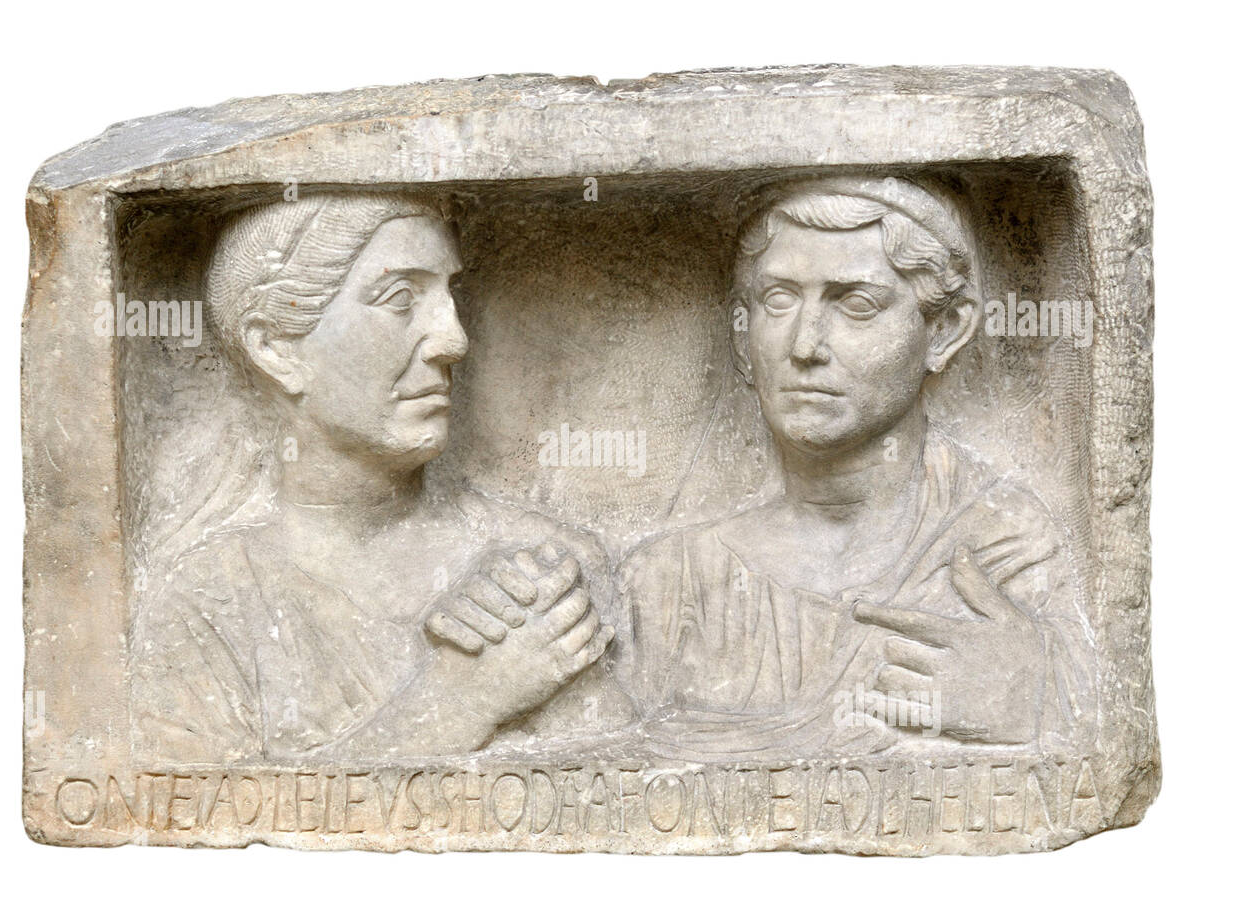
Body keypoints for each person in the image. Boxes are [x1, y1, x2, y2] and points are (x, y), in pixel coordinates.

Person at [616, 176, 1094, 760]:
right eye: (779, 301)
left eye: (856, 304)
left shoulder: (1007, 550)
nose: (806, 346)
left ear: (944, 330)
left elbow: (1094, 733)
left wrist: (1033, 697)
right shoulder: (666, 581)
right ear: (742, 338)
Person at [129, 192, 615, 764]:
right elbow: (196, 809)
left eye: (451, 295)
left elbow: (630, 789)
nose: (454, 341)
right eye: (401, 298)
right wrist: (456, 705)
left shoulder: (545, 569)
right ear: (276, 347)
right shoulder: (206, 608)